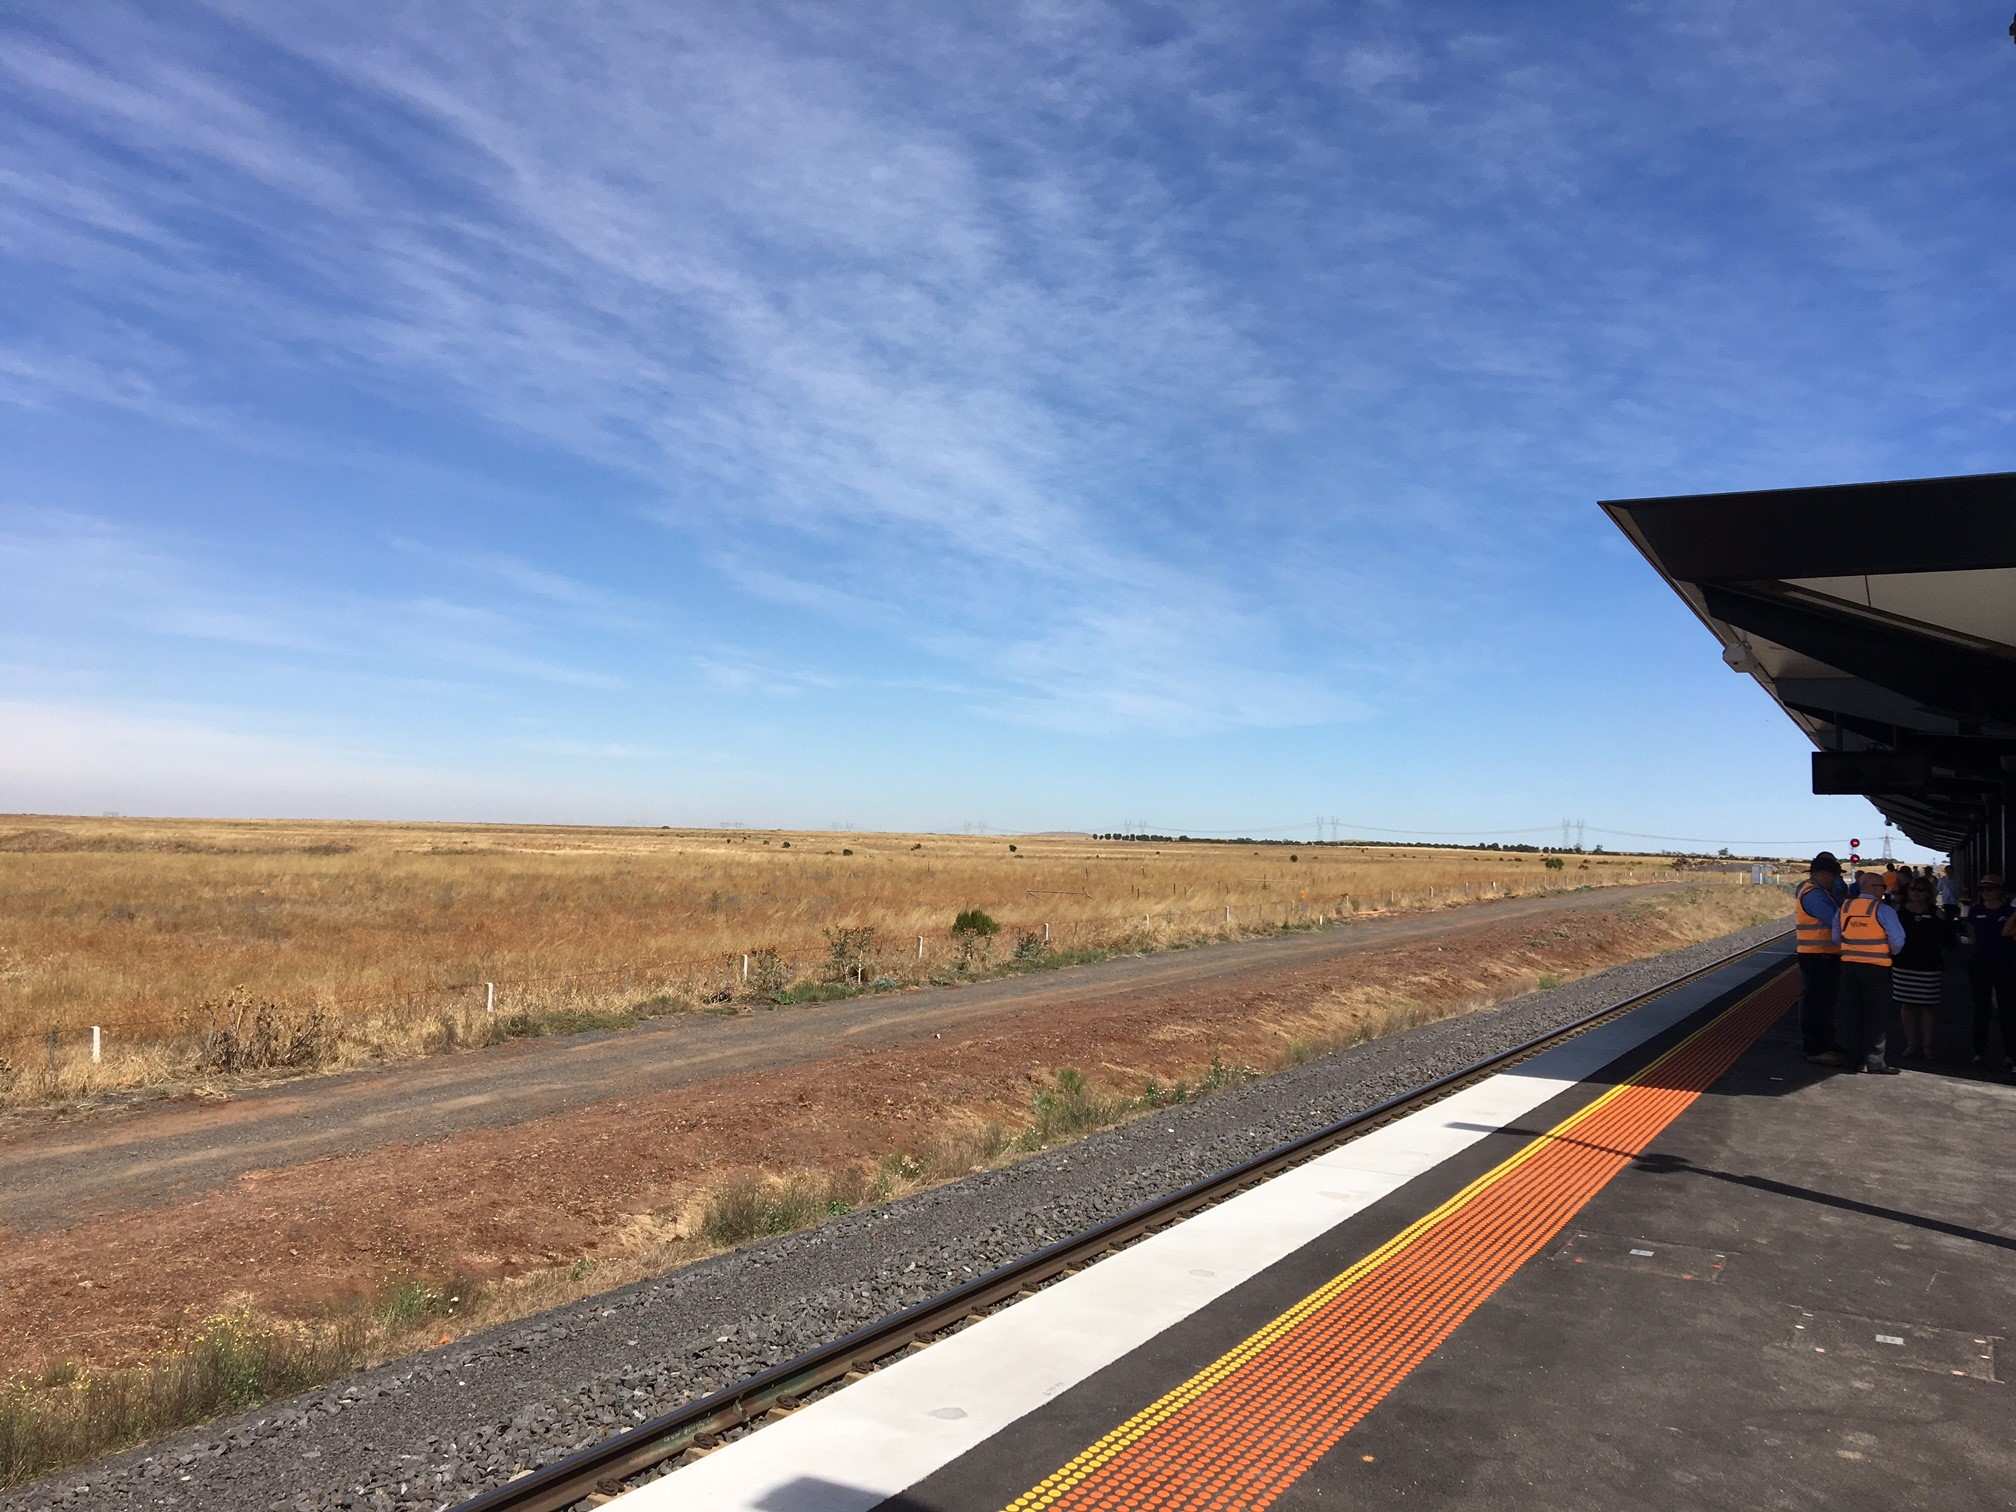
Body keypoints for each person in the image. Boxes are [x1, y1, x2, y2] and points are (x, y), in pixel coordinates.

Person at [1831, 871, 1904, 1073]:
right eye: (1882, 887)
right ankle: (1874, 1061)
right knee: (1876, 1015)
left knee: (1850, 1013)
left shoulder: (1845, 907)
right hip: (1877, 968)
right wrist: (1888, 951)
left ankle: (1851, 1059)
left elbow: (1835, 938)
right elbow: (1898, 941)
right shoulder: (1884, 910)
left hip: (1849, 967)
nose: (1884, 890)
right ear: (1873, 888)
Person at [1794, 852, 1847, 1063]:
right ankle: (1816, 1049)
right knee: (1818, 1003)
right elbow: (1835, 919)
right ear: (1824, 874)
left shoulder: (1819, 891)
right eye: (1834, 876)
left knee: (1823, 1002)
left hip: (1822, 955)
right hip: (1818, 956)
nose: (1835, 880)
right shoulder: (1815, 895)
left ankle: (1825, 1042)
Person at [1963, 873, 2016, 1074]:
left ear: (2000, 890)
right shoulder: (1975, 911)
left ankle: (2010, 1054)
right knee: (1980, 1008)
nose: (1986, 892)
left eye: (1990, 888)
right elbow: (1971, 934)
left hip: (2006, 964)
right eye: (1983, 889)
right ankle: (1979, 1052)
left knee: (2008, 1009)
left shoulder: (2010, 911)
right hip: (1980, 964)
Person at [1891, 875, 1947, 1060]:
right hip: (1904, 964)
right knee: (1907, 1005)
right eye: (1912, 889)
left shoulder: (1936, 913)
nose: (1915, 893)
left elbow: (1947, 939)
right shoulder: (1899, 912)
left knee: (1927, 1007)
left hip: (1929, 965)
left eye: (1920, 890)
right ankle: (1911, 1044)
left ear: (1928, 893)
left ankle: (1927, 1046)